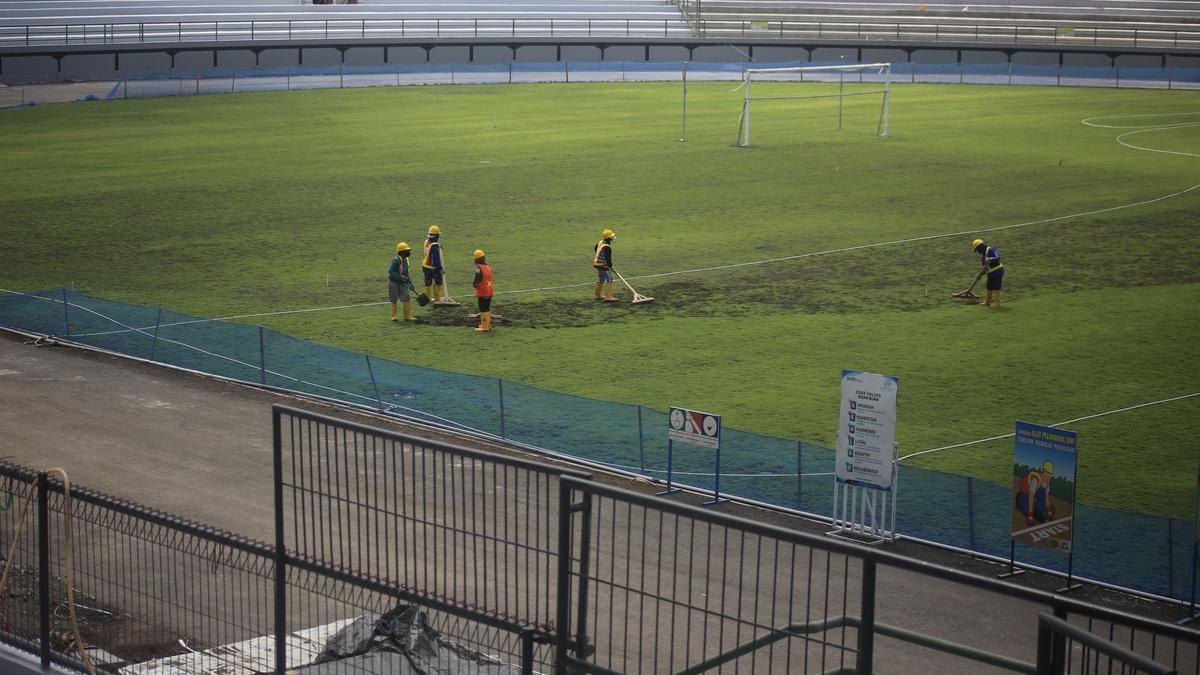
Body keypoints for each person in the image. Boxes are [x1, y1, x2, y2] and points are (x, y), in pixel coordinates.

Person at [1016, 460, 1055, 525]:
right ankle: (1019, 500)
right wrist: (1030, 515)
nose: (1050, 475)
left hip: (1035, 490)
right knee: (1026, 511)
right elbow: (1031, 497)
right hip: (1026, 491)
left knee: (1042, 492)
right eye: (1048, 473)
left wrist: (1049, 511)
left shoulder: (1046, 482)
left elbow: (1046, 496)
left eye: (1051, 473)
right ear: (1044, 471)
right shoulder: (1035, 479)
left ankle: (1038, 512)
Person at [387, 242, 416, 322]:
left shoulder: (406, 260)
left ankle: (407, 316)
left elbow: (406, 273)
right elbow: (390, 271)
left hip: (403, 283)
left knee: (406, 298)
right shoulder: (396, 260)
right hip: (394, 282)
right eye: (407, 251)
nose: (409, 252)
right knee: (394, 298)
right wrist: (400, 277)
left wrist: (410, 283)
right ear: (402, 252)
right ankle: (394, 316)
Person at [972, 238, 1004, 308]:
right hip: (990, 273)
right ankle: (987, 302)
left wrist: (990, 259)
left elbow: (997, 259)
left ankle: (997, 304)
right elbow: (984, 268)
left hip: (997, 271)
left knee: (996, 287)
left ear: (980, 246)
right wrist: (980, 275)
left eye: (977, 249)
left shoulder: (990, 250)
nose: (977, 251)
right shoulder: (983, 256)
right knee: (989, 287)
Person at [593, 228, 619, 302]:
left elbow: (595, 247)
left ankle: (597, 295)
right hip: (602, 265)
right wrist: (611, 267)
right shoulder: (607, 247)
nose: (613, 238)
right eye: (612, 237)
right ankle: (608, 297)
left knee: (601, 279)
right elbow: (608, 260)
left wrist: (599, 256)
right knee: (609, 279)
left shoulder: (601, 242)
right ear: (609, 238)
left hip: (597, 263)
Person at [472, 249, 494, 332]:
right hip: (489, 291)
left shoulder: (478, 268)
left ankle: (485, 327)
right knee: (487, 308)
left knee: (482, 309)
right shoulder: (488, 267)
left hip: (483, 292)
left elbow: (477, 278)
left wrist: (475, 284)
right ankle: (488, 325)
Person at [422, 225, 445, 303]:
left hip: (425, 266)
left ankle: (427, 299)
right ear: (437, 235)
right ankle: (437, 299)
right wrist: (440, 269)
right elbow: (436, 260)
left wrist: (438, 247)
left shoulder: (426, 242)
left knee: (427, 283)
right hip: (433, 268)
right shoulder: (435, 245)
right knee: (438, 282)